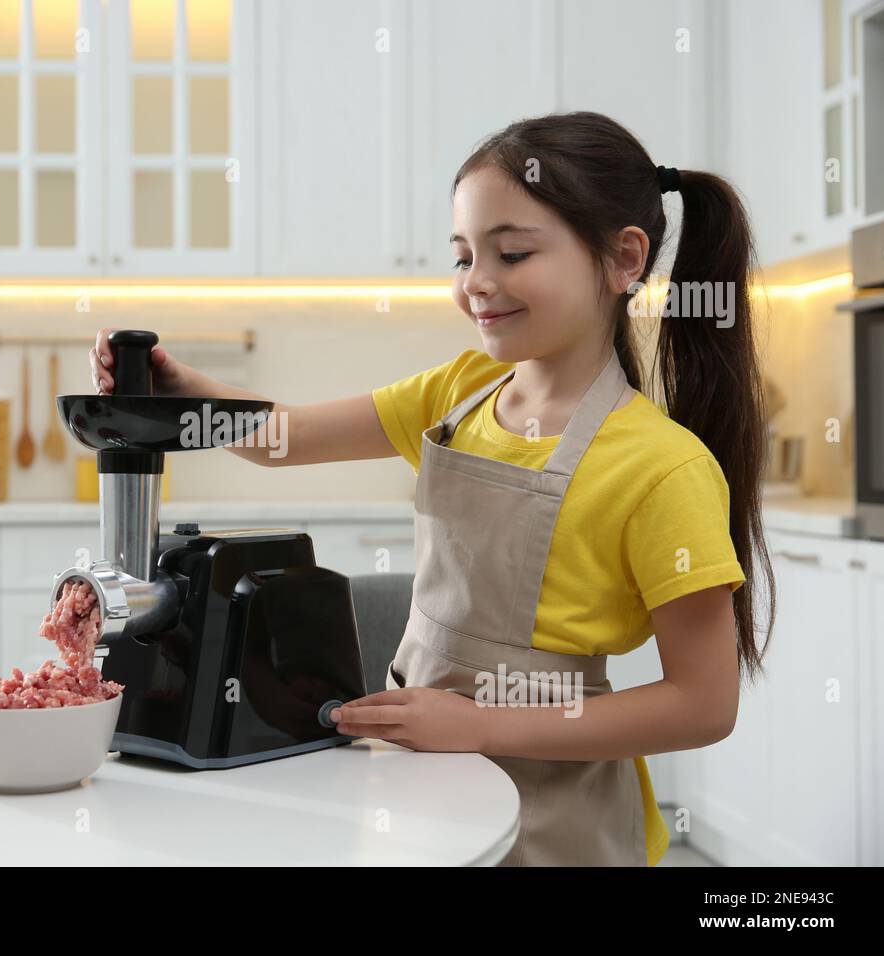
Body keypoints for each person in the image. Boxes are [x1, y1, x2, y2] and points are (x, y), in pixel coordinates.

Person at [87, 111, 774, 867]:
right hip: (414, 776)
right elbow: (284, 440)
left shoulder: (662, 468)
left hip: (556, 815)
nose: (477, 284)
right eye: (462, 256)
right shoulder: (464, 392)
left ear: (623, 259)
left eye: (512, 253)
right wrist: (189, 398)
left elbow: (703, 706)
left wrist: (481, 725)